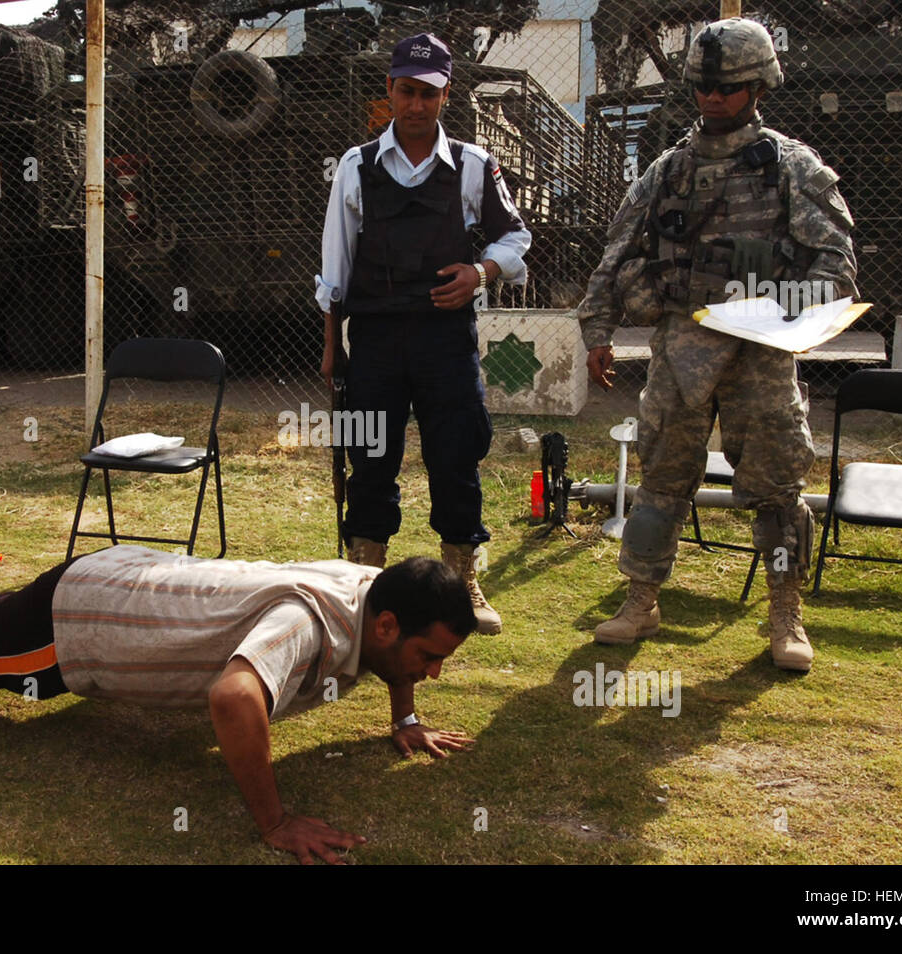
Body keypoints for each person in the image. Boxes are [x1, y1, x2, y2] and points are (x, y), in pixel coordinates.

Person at [0, 545, 477, 865]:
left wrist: (407, 718)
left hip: (119, 571)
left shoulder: (371, 590)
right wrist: (275, 823)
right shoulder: (307, 622)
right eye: (428, 658)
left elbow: (412, 640)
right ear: (385, 626)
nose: (433, 671)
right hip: (84, 621)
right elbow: (233, 697)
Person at [573, 17, 857, 672]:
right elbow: (616, 256)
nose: (712, 99)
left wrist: (777, 309)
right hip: (680, 351)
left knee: (777, 488)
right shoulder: (668, 170)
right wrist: (597, 332)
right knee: (661, 479)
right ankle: (641, 599)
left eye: (726, 88)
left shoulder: (791, 167)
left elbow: (836, 266)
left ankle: (785, 611)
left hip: (760, 354)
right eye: (703, 86)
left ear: (759, 87)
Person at [316, 32, 532, 636]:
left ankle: (462, 580)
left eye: (428, 94)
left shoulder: (472, 165)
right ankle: (362, 581)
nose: (416, 105)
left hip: (446, 341)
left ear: (446, 95)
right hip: (377, 342)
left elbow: (514, 238)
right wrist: (333, 350)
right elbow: (334, 271)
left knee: (457, 454)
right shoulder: (355, 168)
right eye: (406, 92)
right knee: (370, 457)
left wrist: (481, 271)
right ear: (389, 91)